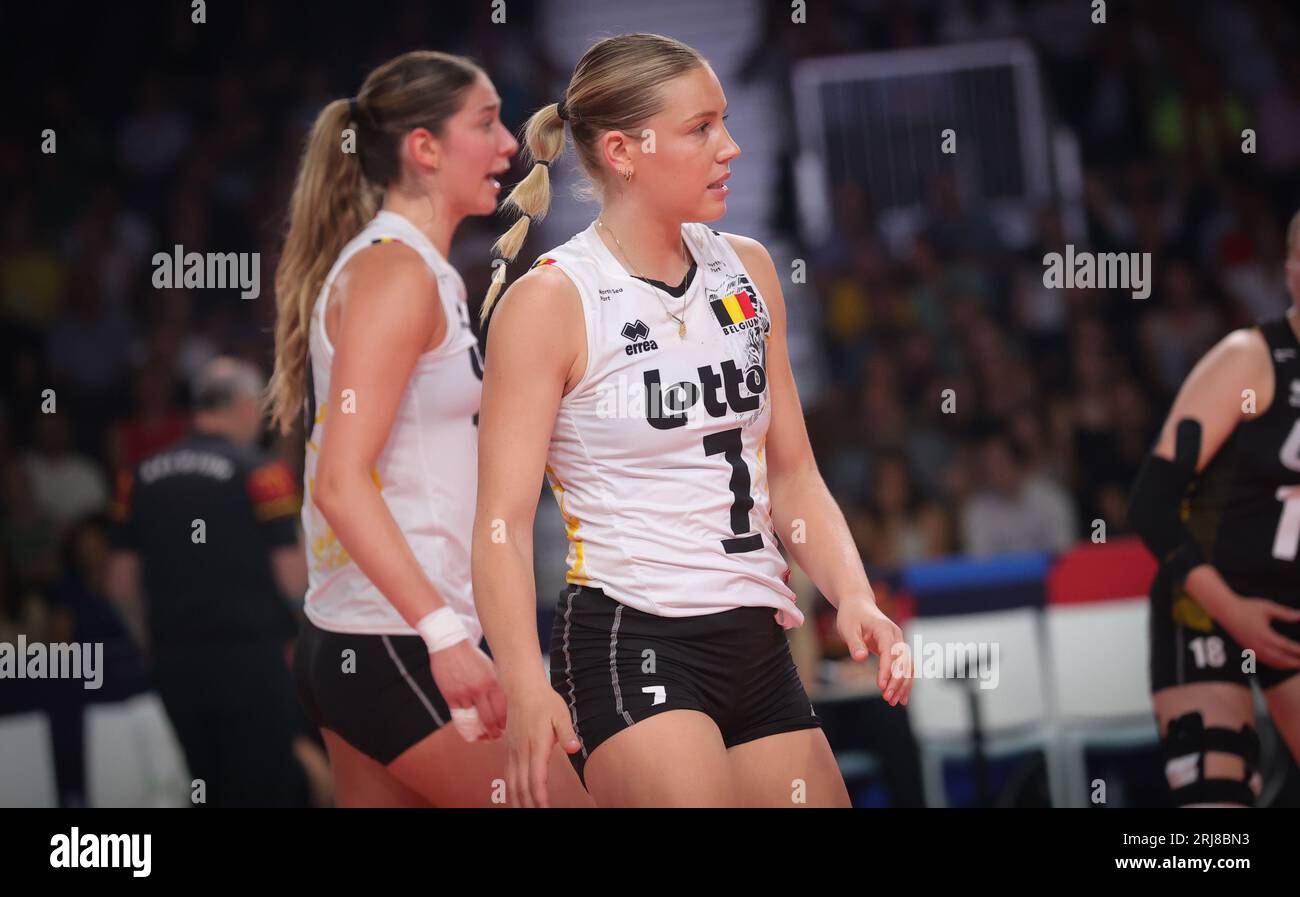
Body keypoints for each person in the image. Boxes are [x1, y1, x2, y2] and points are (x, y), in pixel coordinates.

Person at [472, 33, 911, 808]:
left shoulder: (749, 268)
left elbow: (793, 474)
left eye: (726, 122)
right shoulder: (551, 300)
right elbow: (501, 523)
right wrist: (523, 681)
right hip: (634, 637)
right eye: (701, 128)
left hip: (759, 639)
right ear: (623, 151)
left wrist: (853, 593)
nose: (730, 147)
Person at [267, 50, 589, 807]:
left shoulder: (408, 267)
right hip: (399, 643)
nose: (509, 145)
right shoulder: (397, 273)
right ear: (424, 148)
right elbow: (338, 481)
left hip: (364, 639)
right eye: (487, 123)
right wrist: (444, 634)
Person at [1131, 209, 1300, 807]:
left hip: (1287, 611)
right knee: (1215, 816)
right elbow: (1151, 503)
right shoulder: (1251, 358)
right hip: (1203, 606)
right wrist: (1233, 611)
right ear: (1291, 271)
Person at [105, 357, 329, 807]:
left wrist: (149, 644)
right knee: (264, 788)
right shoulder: (262, 473)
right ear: (246, 405)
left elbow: (119, 584)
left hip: (174, 662)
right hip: (253, 662)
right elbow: (292, 579)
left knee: (201, 787)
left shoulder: (136, 477)